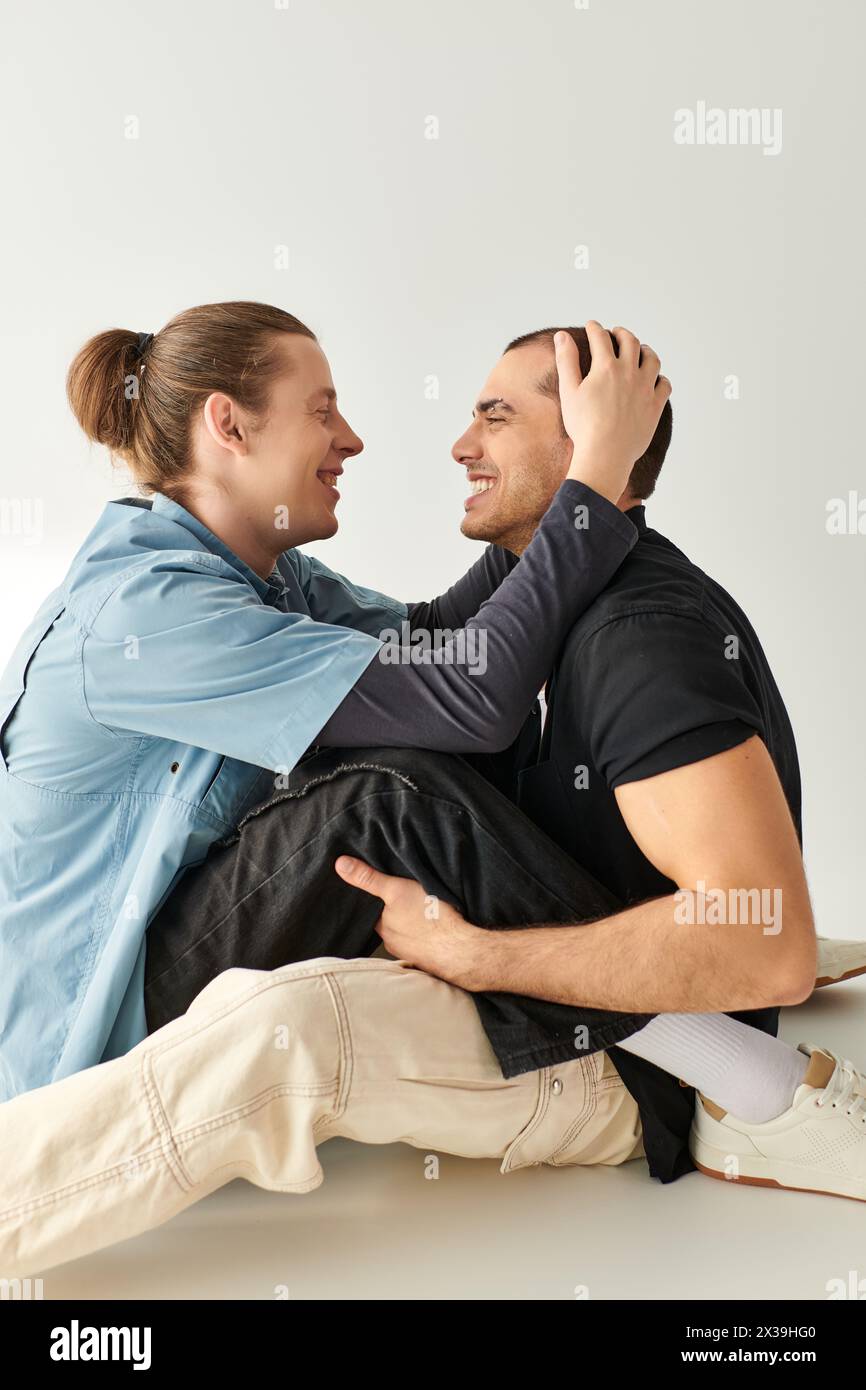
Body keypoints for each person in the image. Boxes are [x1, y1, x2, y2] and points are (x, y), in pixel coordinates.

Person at [1, 318, 863, 1282]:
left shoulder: (268, 574)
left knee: (407, 745)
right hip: (110, 1015)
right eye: (322, 409)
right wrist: (583, 477)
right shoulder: (149, 615)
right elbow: (475, 689)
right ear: (229, 426)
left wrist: (566, 491)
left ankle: (685, 938)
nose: (354, 438)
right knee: (387, 793)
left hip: (184, 922)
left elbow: (444, 644)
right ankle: (744, 1068)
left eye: (493, 417)